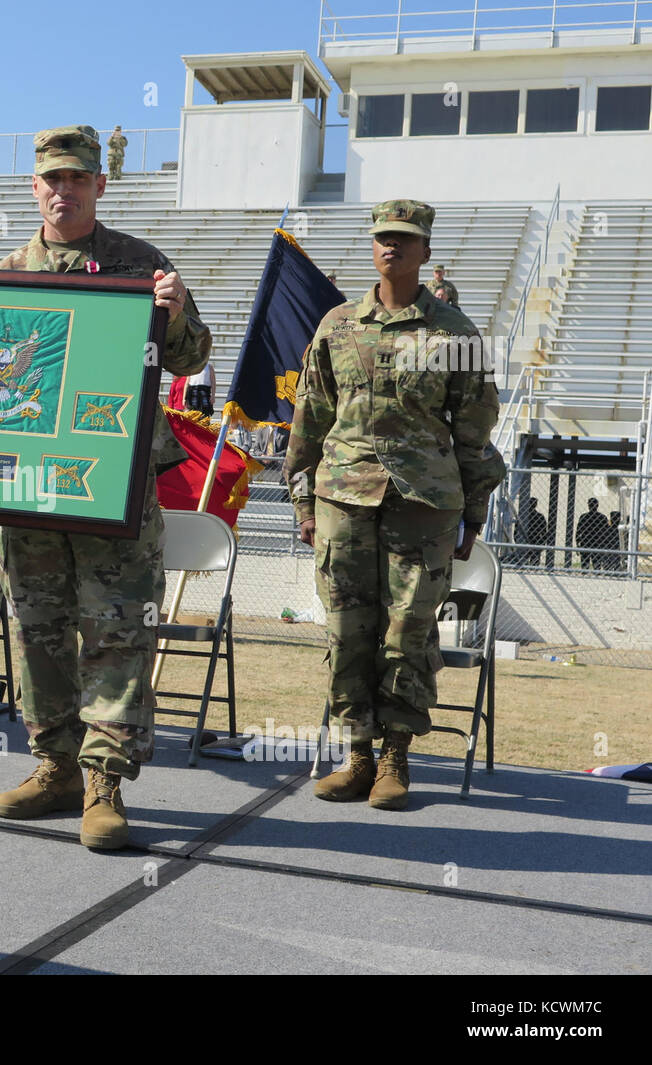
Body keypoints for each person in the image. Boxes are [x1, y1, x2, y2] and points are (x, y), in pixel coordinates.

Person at [0, 125, 212, 849]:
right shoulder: (4, 273)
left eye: (78, 178)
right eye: (52, 178)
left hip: (114, 488)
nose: (64, 190)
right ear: (35, 187)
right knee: (38, 629)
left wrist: (175, 311)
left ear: (99, 186)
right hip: (30, 490)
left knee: (116, 629)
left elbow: (192, 357)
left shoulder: (142, 265)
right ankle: (53, 766)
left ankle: (104, 784)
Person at [286, 199, 504, 811]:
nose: (393, 247)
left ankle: (395, 757)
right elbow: (311, 420)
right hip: (343, 500)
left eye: (406, 239)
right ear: (373, 246)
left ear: (425, 251)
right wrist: (303, 502)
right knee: (347, 630)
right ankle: (356, 754)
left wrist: (475, 512)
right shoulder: (336, 326)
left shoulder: (455, 333)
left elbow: (475, 429)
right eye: (384, 237)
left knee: (407, 630)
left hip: (425, 502)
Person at [575, 497, 609, 571]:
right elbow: (607, 532)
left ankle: (585, 573)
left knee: (585, 566)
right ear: (597, 505)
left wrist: (577, 544)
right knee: (596, 566)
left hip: (586, 543)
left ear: (588, 506)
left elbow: (578, 532)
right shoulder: (602, 517)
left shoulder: (583, 517)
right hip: (597, 544)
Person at [513, 496, 548, 567]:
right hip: (536, 542)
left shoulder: (522, 516)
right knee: (534, 563)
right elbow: (544, 533)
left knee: (522, 561)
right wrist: (542, 544)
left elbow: (516, 531)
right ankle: (534, 567)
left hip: (524, 541)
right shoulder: (540, 516)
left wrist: (516, 540)